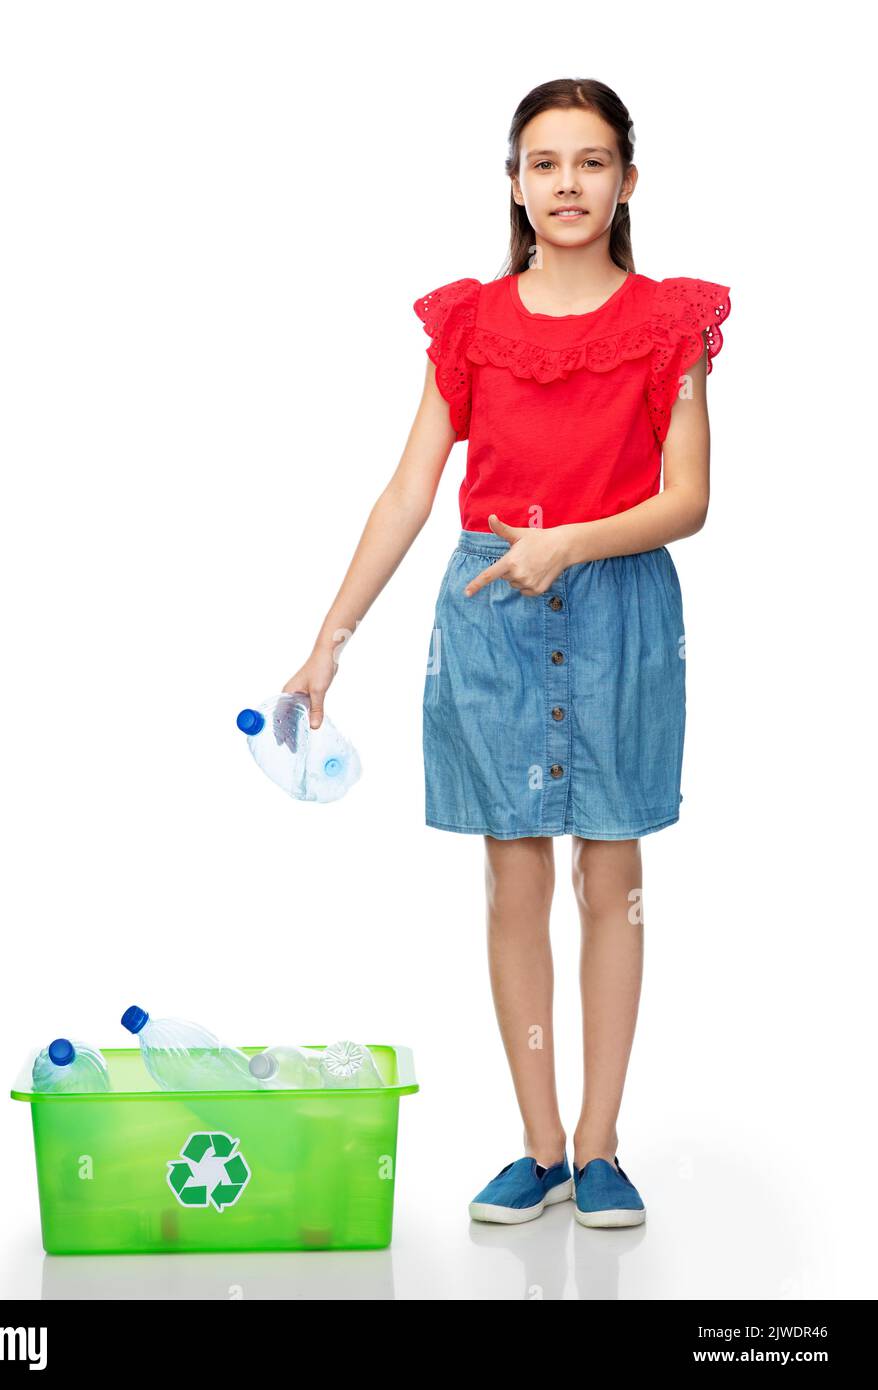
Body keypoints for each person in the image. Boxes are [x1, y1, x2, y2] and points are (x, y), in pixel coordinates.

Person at [282, 77, 731, 1229]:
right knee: (512, 878)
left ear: (627, 179)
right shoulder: (472, 325)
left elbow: (687, 501)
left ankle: (601, 1145)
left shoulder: (667, 322)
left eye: (590, 161)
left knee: (612, 879)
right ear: (516, 183)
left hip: (621, 605)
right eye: (544, 163)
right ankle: (538, 1145)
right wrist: (327, 642)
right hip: (491, 609)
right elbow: (404, 493)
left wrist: (572, 541)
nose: (567, 183)